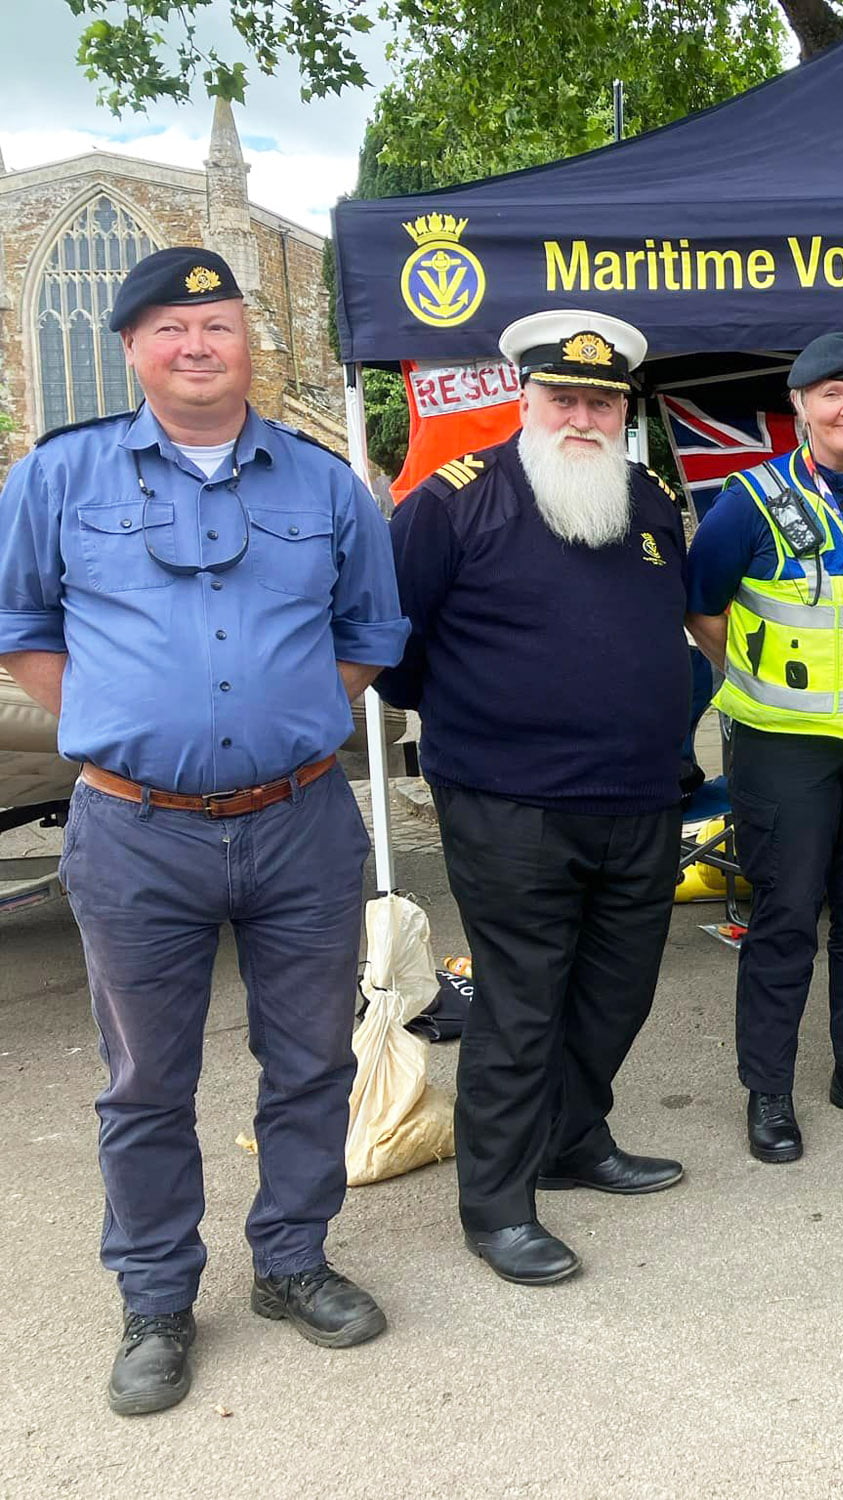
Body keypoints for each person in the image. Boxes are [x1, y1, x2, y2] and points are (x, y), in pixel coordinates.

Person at [0, 248, 409, 1414]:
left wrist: (285, 720)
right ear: (132, 347)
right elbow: (19, 616)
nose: (196, 345)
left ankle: (291, 1261)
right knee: (144, 1081)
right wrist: (109, 720)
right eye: (171, 329)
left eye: (219, 325)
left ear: (248, 344)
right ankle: (156, 1297)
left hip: (299, 824)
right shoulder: (57, 476)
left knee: (312, 1061)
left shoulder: (328, 487)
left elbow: (369, 630)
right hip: (135, 833)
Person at [375, 311, 690, 1287]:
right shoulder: (452, 503)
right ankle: (498, 1202)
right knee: (522, 1000)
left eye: (602, 401)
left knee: (616, 989)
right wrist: (492, 721)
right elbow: (396, 656)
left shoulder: (644, 500)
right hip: (509, 803)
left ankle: (571, 1139)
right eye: (565, 398)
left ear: (622, 409)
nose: (583, 417)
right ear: (526, 398)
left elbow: (657, 626)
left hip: (637, 794)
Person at [685, 332, 843, 1164]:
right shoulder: (748, 503)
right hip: (784, 751)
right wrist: (753, 680)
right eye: (830, 395)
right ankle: (769, 1090)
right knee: (785, 921)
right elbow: (704, 607)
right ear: (798, 407)